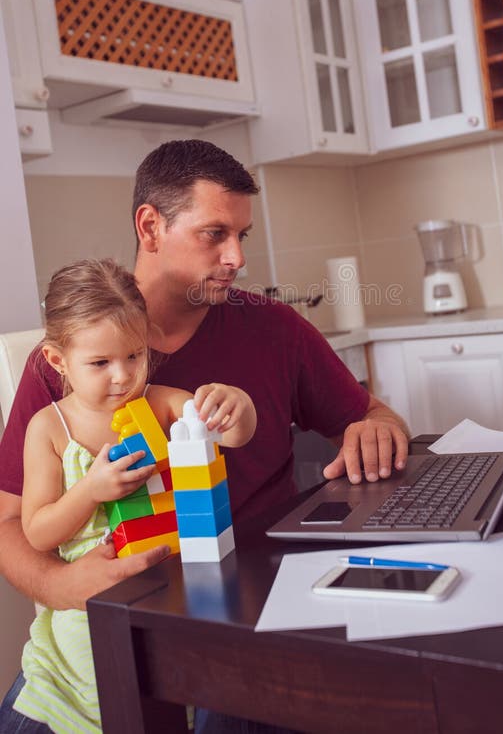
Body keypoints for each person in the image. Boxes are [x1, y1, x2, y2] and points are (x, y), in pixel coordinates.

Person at [0, 139, 409, 732]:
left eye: (243, 235)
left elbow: (371, 412)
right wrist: (63, 585)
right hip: (98, 624)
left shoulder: (275, 329)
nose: (237, 257)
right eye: (215, 233)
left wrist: (378, 428)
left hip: (244, 612)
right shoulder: (72, 362)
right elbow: (12, 523)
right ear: (151, 227)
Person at [9, 258, 255, 734]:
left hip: (179, 580)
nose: (123, 377)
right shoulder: (50, 430)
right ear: (58, 361)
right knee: (114, 688)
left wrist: (237, 409)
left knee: (202, 671)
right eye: (100, 363)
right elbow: (37, 533)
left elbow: (231, 436)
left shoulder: (162, 404)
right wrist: (90, 490)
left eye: (134, 356)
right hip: (96, 597)